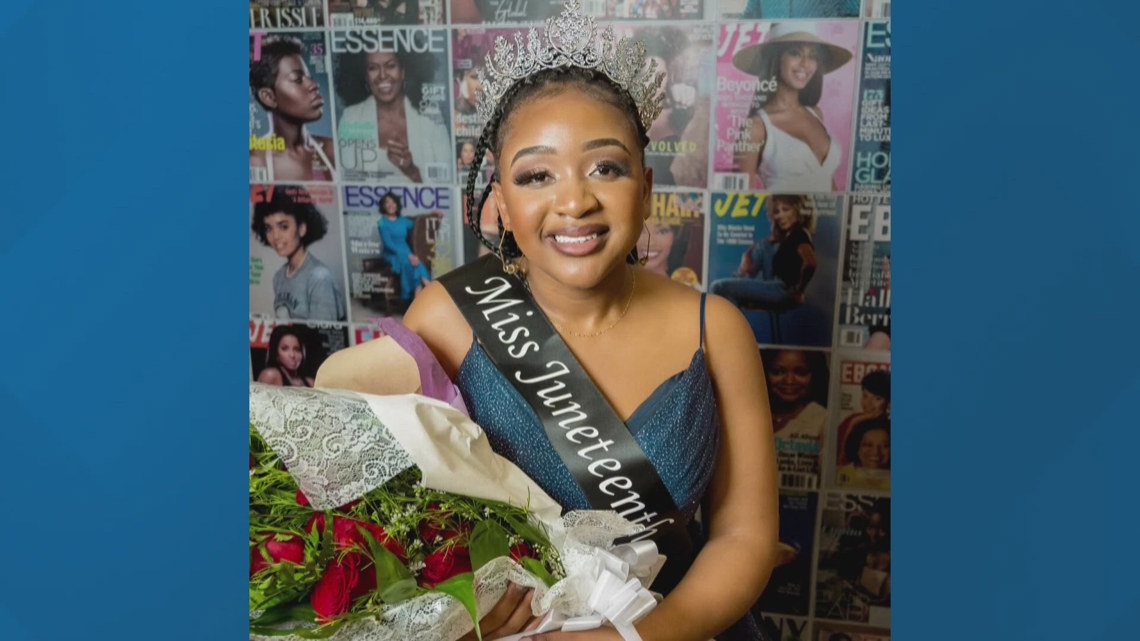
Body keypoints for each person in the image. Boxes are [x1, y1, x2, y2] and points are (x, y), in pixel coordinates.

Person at [402, 4, 779, 639]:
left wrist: (633, 639)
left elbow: (744, 536)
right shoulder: (447, 317)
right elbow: (390, 525)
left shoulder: (715, 329)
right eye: (536, 174)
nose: (575, 200)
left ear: (648, 187)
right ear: (500, 203)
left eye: (606, 167)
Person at [730, 22, 852, 192]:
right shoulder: (756, 128)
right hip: (783, 218)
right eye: (795, 53)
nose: (805, 64)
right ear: (776, 58)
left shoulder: (816, 113)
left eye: (813, 56)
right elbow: (740, 197)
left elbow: (828, 183)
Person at [334, 37, 451, 183]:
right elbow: (345, 182)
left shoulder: (430, 116)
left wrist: (413, 172)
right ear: (365, 77)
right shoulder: (351, 117)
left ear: (403, 72)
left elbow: (447, 184)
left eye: (390, 66)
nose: (382, 76)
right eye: (373, 68)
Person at [251, 186, 347, 321]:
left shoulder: (319, 279)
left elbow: (326, 339)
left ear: (302, 228)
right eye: (268, 228)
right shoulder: (278, 277)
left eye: (283, 226)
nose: (275, 236)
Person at [249, 35, 337, 181]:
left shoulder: (331, 150)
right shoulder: (255, 161)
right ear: (269, 97)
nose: (314, 85)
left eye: (310, 77)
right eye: (297, 79)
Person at [708, 194, 817, 309]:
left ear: (799, 210)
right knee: (764, 245)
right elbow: (764, 244)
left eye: (785, 210)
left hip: (781, 289)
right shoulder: (787, 237)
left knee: (717, 287)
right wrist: (748, 255)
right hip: (773, 283)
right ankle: (743, 278)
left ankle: (733, 319)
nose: (780, 216)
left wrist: (799, 292)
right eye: (777, 211)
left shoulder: (800, 234)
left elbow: (810, 264)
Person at [377, 192, 433, 303]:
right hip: (393, 254)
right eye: (387, 202)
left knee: (417, 264)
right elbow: (389, 244)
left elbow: (417, 221)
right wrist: (408, 255)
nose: (390, 205)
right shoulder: (382, 223)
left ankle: (419, 296)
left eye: (393, 202)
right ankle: (431, 291)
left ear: (397, 204)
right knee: (412, 264)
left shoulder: (402, 220)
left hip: (406, 251)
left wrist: (431, 213)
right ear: (383, 206)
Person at [760, 349, 828, 440]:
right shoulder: (750, 414)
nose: (789, 381)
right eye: (778, 372)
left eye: (801, 373)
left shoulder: (823, 420)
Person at [835, 369, 890, 465]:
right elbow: (838, 462)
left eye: (877, 398)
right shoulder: (852, 420)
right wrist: (853, 422)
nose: (867, 403)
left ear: (888, 402)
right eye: (865, 396)